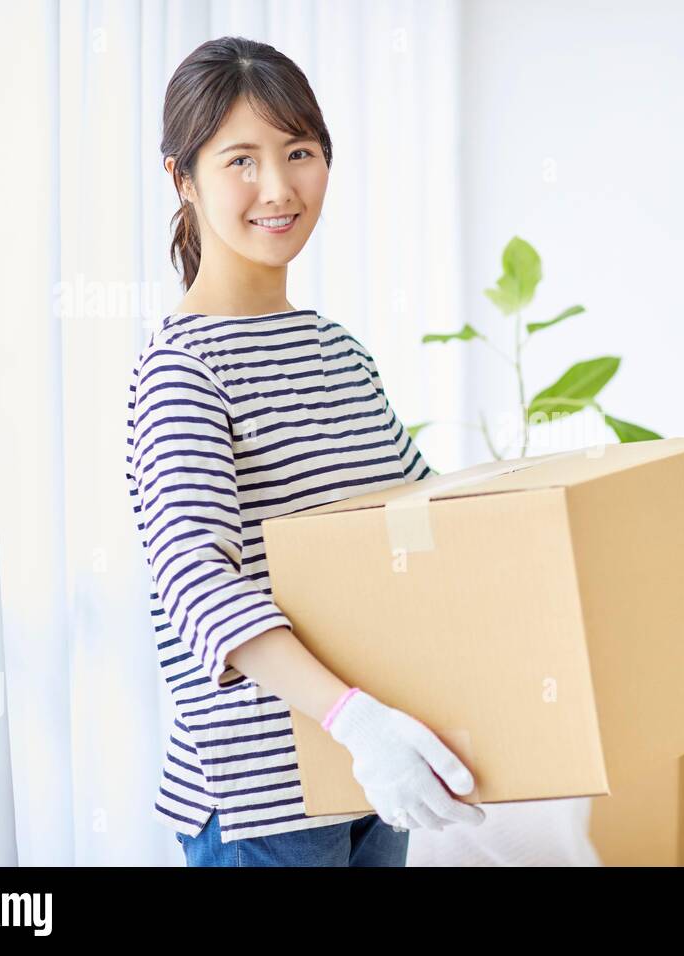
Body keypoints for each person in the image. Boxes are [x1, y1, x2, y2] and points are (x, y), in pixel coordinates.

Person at [126, 35, 485, 867]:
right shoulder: (184, 367)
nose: (279, 188)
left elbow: (415, 515)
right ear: (182, 179)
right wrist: (353, 721)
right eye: (240, 161)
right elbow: (195, 578)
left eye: (299, 153)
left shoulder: (337, 351)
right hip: (268, 800)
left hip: (375, 772)